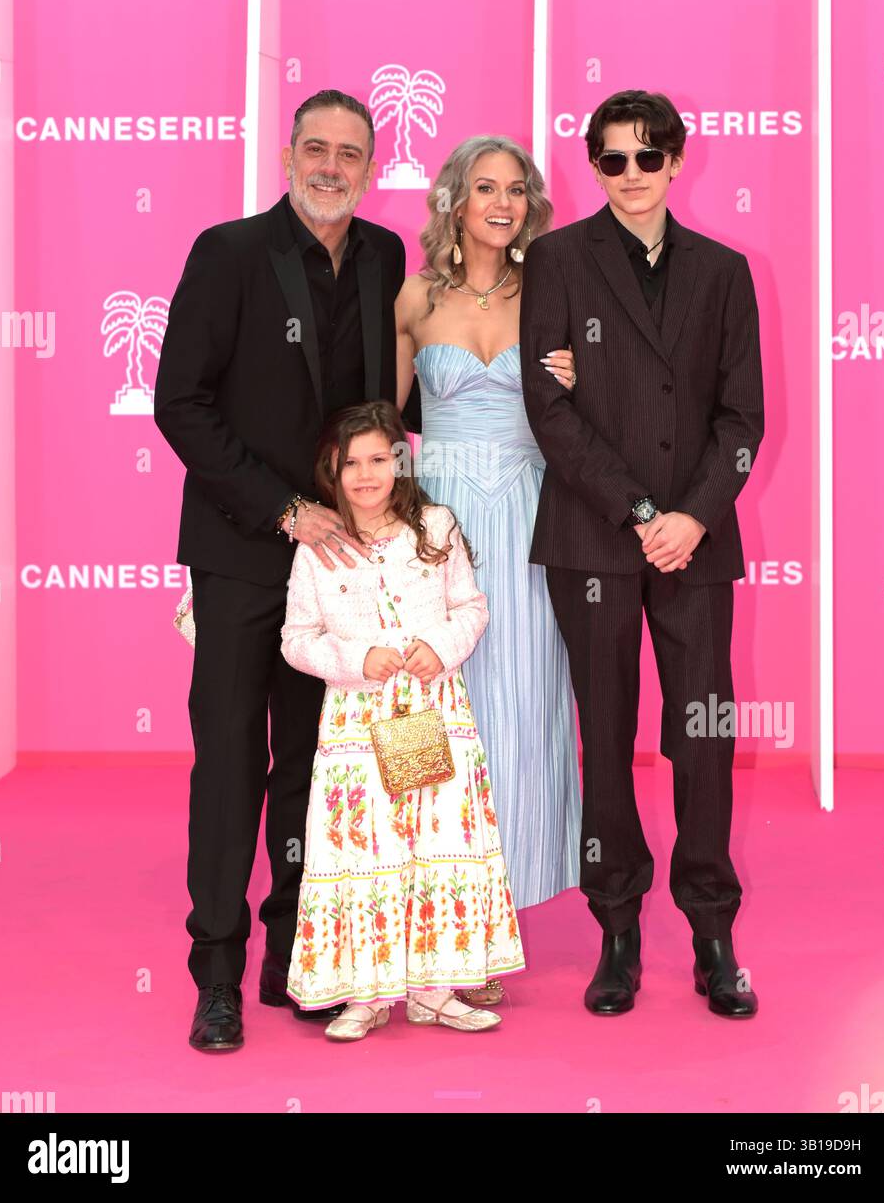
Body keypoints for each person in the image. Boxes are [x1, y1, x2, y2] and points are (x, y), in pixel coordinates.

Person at [154, 89, 420, 1052]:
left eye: (351, 152)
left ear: (370, 163)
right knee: (229, 763)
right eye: (317, 147)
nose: (332, 165)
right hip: (242, 554)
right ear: (286, 153)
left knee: (310, 767)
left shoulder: (387, 255)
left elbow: (394, 396)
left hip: (339, 570)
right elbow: (179, 403)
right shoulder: (226, 253)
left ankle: (293, 958)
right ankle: (215, 974)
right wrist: (282, 509)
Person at [519, 89, 764, 1018]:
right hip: (594, 539)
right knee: (607, 740)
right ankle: (615, 928)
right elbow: (551, 412)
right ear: (593, 166)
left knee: (702, 739)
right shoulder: (556, 262)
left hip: (695, 546)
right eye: (612, 159)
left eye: (647, 157)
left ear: (676, 160)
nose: (631, 175)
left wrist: (691, 517)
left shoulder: (724, 270)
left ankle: (712, 931)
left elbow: (743, 416)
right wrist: (636, 511)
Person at [394, 136, 581, 1006]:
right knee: (439, 713)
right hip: (439, 521)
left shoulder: (554, 294)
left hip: (533, 519)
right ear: (454, 202)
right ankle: (433, 909)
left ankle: (495, 907)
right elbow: (384, 427)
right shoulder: (413, 297)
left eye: (516, 189)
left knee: (522, 709)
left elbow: (593, 406)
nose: (500, 203)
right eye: (483, 188)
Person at [280, 400, 525, 1039]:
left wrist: (438, 649)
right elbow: (296, 639)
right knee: (365, 848)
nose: (366, 476)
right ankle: (364, 992)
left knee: (436, 843)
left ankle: (434, 991)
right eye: (351, 463)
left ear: (400, 460)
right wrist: (359, 658)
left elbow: (471, 607)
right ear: (332, 472)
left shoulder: (435, 527)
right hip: (356, 728)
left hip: (430, 713)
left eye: (379, 459)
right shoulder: (319, 549)